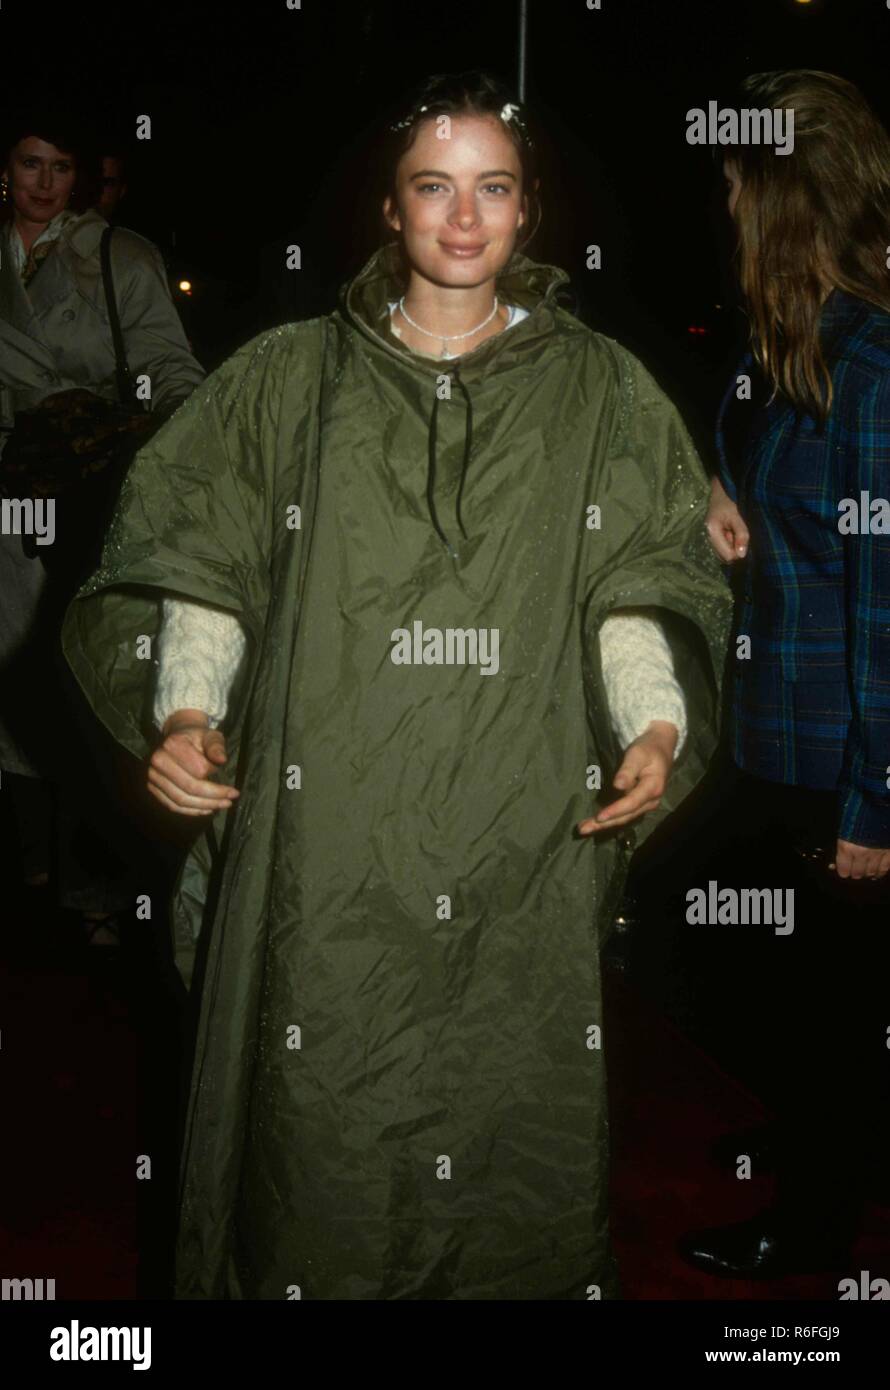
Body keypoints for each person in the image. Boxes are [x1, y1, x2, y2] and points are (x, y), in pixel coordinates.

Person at [63, 72, 731, 1299]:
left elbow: (628, 579)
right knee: (311, 1131)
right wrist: (188, 712)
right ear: (390, 207)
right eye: (434, 186)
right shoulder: (283, 381)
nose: (463, 219)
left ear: (528, 213)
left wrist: (652, 721)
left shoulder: (598, 390)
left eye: (492, 189)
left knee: (500, 1129)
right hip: (326, 834)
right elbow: (205, 565)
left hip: (515, 829)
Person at [683, 70, 890, 1279]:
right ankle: (826, 1134)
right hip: (785, 729)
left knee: (834, 1009)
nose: (720, 204)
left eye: (731, 184)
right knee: (798, 990)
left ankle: (813, 1225)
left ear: (778, 200)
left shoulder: (873, 368)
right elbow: (747, 441)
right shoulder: (790, 341)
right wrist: (721, 486)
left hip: (846, 753)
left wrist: (876, 806)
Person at [0, 112, 205, 946]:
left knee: (85, 669)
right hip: (5, 499)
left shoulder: (119, 255)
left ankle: (96, 883)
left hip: (85, 493)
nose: (44, 182)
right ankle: (28, 871)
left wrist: (163, 448)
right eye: (28, 162)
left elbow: (175, 372)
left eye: (60, 165)